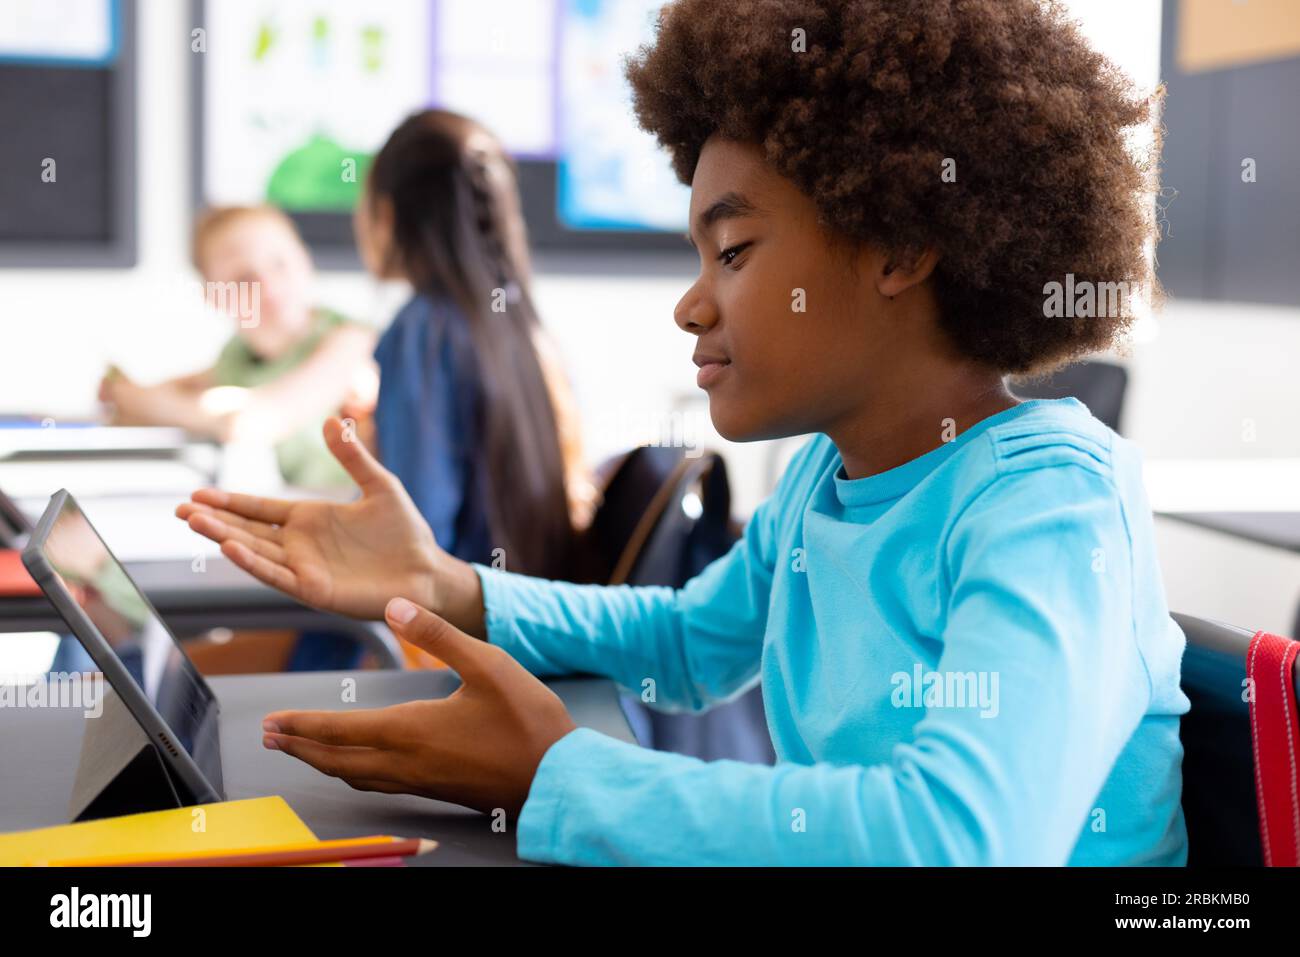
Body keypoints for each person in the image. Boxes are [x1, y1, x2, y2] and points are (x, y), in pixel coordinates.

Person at [178, 0, 1185, 865]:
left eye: (734, 251)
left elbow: (955, 839)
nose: (691, 307)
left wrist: (559, 777)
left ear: (901, 248)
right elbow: (688, 642)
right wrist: (446, 585)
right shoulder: (820, 483)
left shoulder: (1049, 500)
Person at [353, 110, 596, 581]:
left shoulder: (424, 331)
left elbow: (416, 542)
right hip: (515, 618)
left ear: (386, 214)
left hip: (438, 637)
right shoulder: (524, 324)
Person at [100, 206, 377, 490]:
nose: (268, 286)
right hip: (316, 508)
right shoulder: (238, 357)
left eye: (279, 264)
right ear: (213, 296)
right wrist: (126, 394)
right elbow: (174, 393)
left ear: (305, 261)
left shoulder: (350, 340)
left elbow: (257, 420)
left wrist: (145, 402)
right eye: (243, 280)